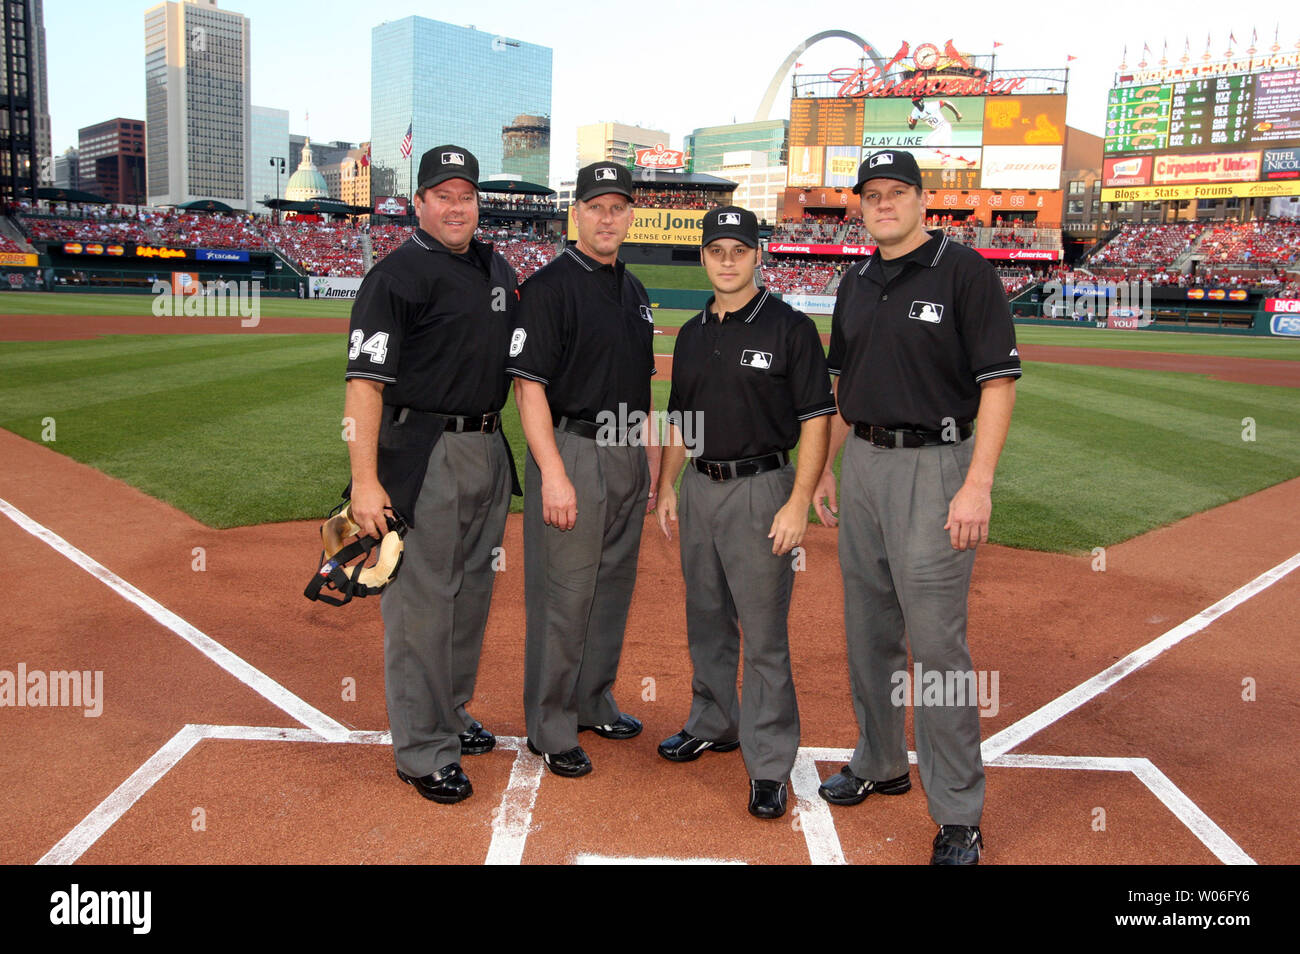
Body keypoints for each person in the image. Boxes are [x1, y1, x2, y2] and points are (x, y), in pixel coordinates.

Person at [813, 149, 1019, 864]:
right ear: (862, 207)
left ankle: (959, 810)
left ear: (923, 200)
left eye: (897, 191)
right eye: (872, 194)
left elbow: (998, 384)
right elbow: (843, 385)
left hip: (937, 468)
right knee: (868, 631)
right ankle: (878, 761)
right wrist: (825, 472)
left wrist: (978, 483)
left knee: (935, 648)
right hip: (865, 462)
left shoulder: (965, 272)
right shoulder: (856, 280)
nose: (884, 203)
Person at [343, 145, 518, 804]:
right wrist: (366, 481)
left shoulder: (497, 268)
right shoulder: (396, 277)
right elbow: (364, 384)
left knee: (471, 598)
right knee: (421, 606)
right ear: (419, 203)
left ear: (477, 203)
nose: (455, 206)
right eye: (441, 195)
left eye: (465, 195)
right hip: (423, 451)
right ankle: (421, 750)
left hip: (489, 448)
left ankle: (449, 711)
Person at [655, 206, 833, 819]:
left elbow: (816, 418)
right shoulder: (692, 332)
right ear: (703, 258)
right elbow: (681, 418)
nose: (727, 260)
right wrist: (668, 485)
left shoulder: (789, 328)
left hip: (762, 487)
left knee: (762, 634)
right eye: (716, 250)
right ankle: (713, 721)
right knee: (705, 617)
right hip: (701, 487)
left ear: (759, 255)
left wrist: (798, 501)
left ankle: (769, 763)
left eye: (738, 249)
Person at [506, 161, 659, 778]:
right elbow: (528, 386)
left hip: (626, 454)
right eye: (596, 206)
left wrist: (647, 460)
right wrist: (553, 473)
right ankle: (549, 724)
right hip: (571, 451)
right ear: (578, 214)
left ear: (629, 215)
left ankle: (593, 700)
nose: (607, 217)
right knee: (564, 597)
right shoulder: (549, 287)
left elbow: (640, 386)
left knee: (611, 589)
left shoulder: (634, 290)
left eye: (617, 207)